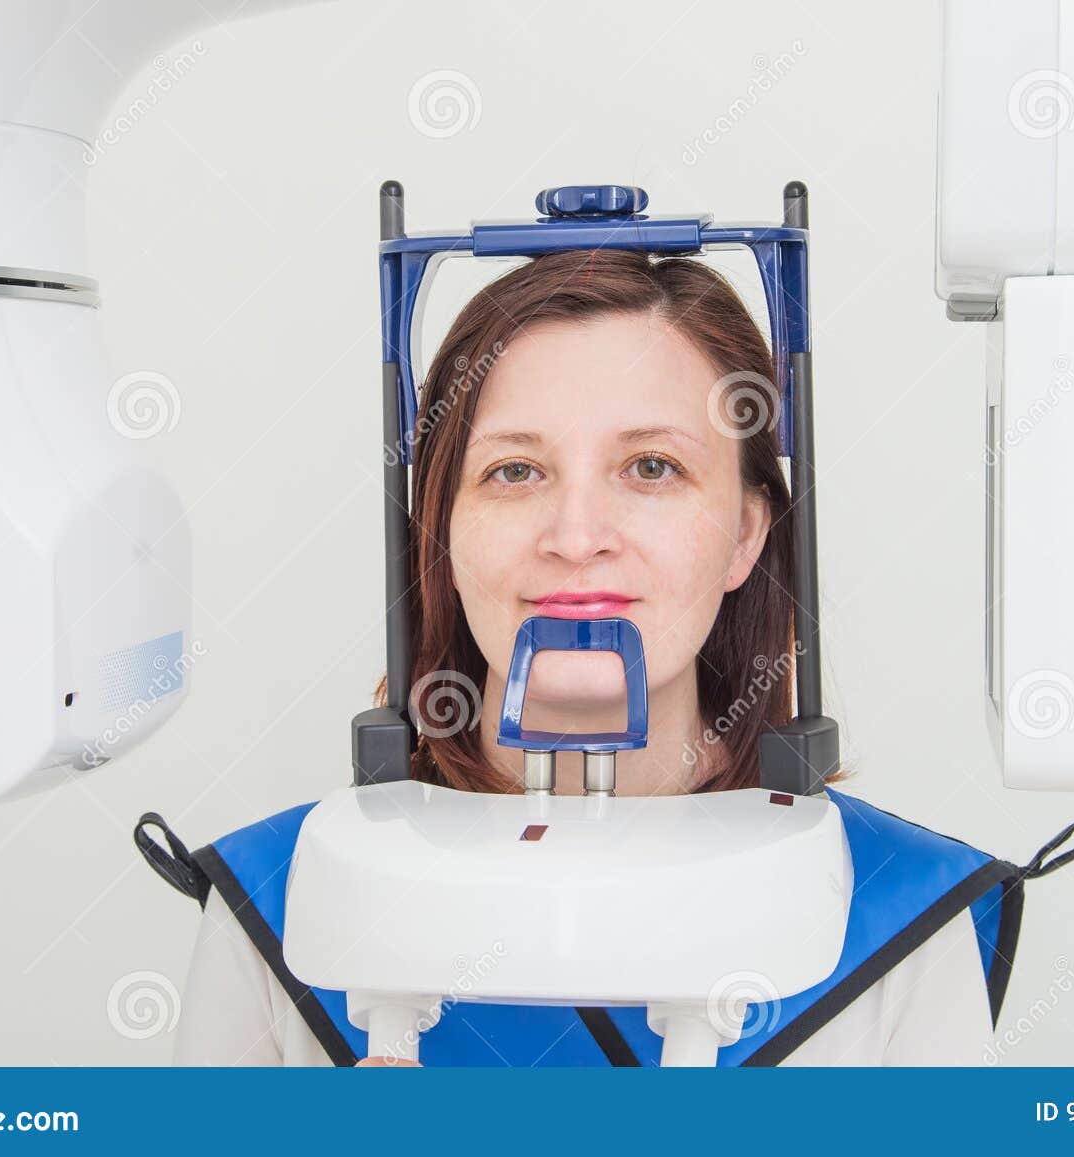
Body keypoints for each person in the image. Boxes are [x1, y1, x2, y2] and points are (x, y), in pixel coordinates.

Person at [159, 247, 1003, 1066]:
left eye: (650, 466)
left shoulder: (895, 919)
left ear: (747, 531)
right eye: (516, 470)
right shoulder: (284, 901)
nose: (575, 538)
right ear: (442, 526)